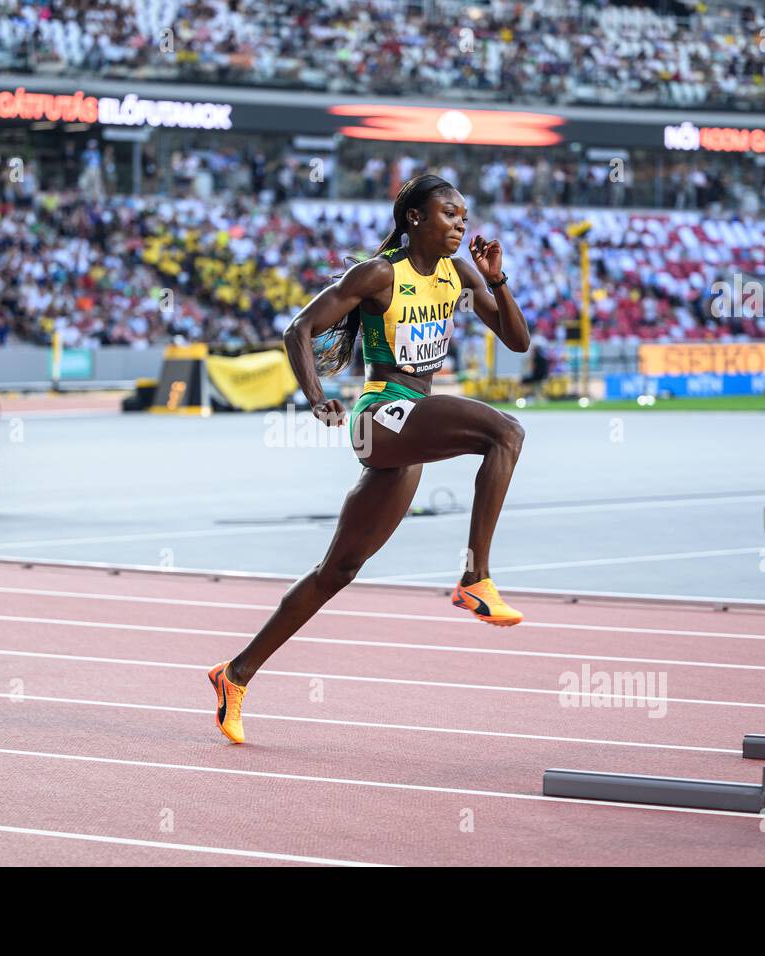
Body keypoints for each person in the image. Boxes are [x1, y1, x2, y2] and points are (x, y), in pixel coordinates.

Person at [209, 174, 531, 744]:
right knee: (505, 432)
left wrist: (498, 279)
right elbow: (299, 329)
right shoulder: (381, 274)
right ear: (414, 219)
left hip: (412, 424)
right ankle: (475, 577)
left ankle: (235, 674)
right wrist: (314, 398)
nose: (461, 224)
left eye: (464, 215)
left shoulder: (460, 274)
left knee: (338, 570)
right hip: (379, 417)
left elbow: (517, 341)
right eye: (449, 214)